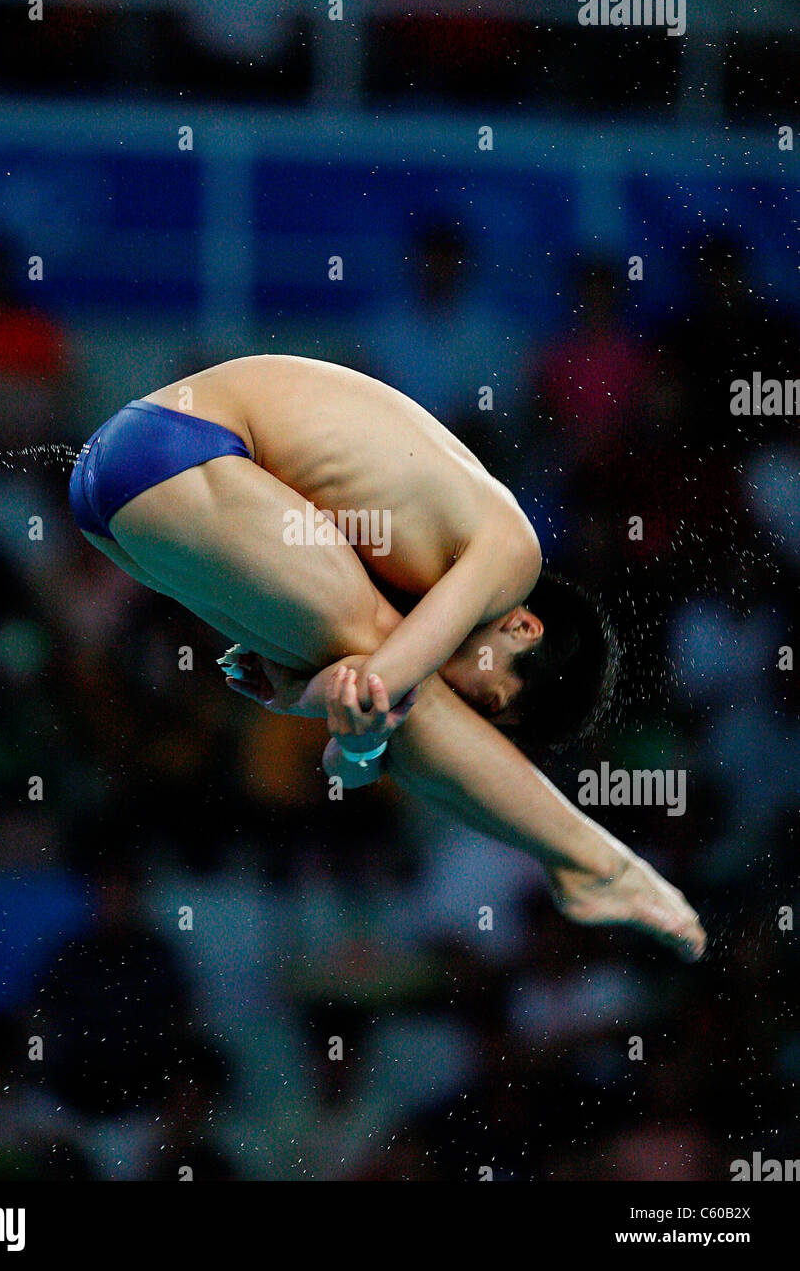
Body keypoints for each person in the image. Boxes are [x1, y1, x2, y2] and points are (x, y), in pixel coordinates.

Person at [68, 354, 706, 961]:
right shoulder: (514, 554)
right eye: (489, 699)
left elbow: (351, 755)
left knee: (399, 703)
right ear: (524, 626)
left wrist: (349, 728)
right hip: (180, 450)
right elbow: (374, 699)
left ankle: (582, 862)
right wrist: (308, 701)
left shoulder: (406, 573)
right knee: (402, 693)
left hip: (120, 479)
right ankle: (595, 861)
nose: (467, 704)